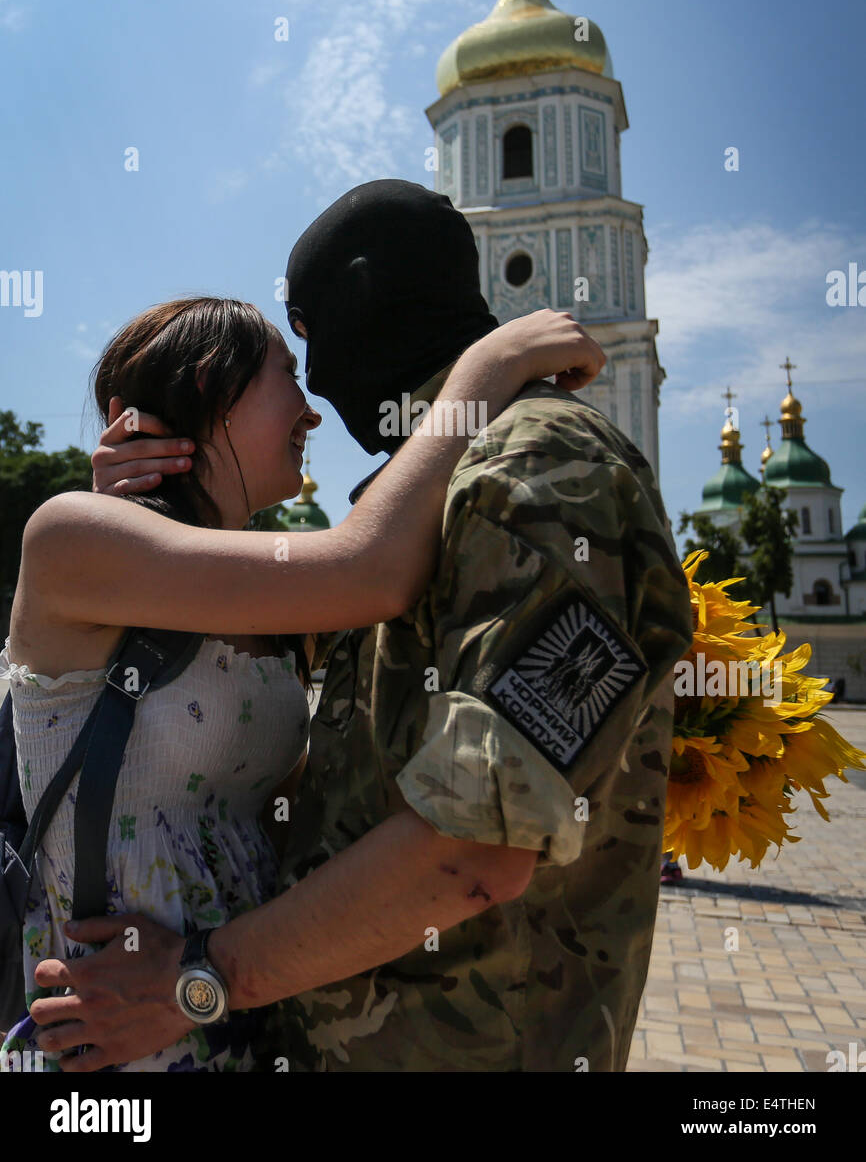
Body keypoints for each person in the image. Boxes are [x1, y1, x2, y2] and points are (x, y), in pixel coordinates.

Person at [31, 180, 692, 1074]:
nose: (314, 404)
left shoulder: (532, 457)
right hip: (154, 1018)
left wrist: (199, 980)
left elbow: (475, 844)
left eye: (310, 340)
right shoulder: (399, 505)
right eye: (290, 369)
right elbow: (359, 588)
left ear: (362, 297)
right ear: (208, 392)